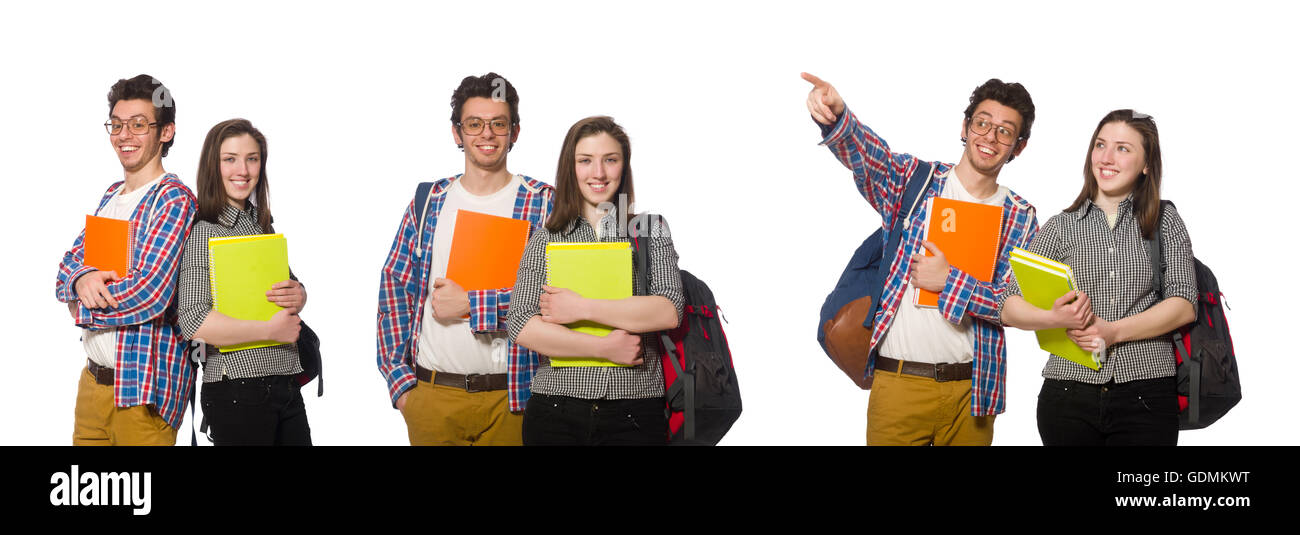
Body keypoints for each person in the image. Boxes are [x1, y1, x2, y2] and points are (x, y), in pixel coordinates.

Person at [803, 72, 1039, 446]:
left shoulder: (1021, 217)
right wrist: (838, 114)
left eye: (1005, 131)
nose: (990, 137)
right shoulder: (917, 182)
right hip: (899, 382)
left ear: (1018, 147)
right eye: (982, 123)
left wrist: (950, 282)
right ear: (965, 127)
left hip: (973, 392)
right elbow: (871, 158)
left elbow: (1011, 305)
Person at [377, 73, 554, 446]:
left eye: (498, 124)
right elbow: (396, 290)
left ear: (515, 132)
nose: (486, 134)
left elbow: (557, 298)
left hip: (515, 399)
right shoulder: (429, 201)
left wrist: (471, 305)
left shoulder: (544, 204)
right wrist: (403, 387)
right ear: (457, 133)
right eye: (474, 124)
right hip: (433, 397)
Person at [1001, 110, 1196, 446]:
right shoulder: (1060, 226)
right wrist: (1052, 318)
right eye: (1100, 145)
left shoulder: (1164, 220)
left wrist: (1113, 331)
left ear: (1146, 164)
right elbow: (1008, 304)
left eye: (1123, 148)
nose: (1106, 158)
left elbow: (1184, 304)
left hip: (1147, 391)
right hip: (1067, 393)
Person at [508, 116, 683, 446]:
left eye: (610, 160)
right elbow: (521, 325)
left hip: (635, 409)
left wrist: (580, 307)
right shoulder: (546, 238)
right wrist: (604, 347)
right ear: (570, 167)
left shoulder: (649, 229)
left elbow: (668, 310)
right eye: (585, 161)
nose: (598, 173)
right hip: (555, 408)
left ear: (624, 166)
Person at [55, 74, 197, 446]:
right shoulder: (111, 196)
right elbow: (67, 267)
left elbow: (150, 293)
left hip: (143, 393)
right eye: (116, 125)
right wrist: (82, 279)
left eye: (138, 124)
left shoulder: (173, 200)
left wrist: (80, 306)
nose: (124, 135)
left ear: (165, 132)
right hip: (93, 384)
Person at [176, 119, 312, 446]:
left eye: (252, 158)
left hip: (285, 382)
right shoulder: (203, 231)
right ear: (213, 165)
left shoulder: (259, 224)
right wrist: (268, 331)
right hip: (238, 389)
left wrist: (300, 294)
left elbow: (285, 286)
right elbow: (193, 321)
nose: (243, 169)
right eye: (230, 159)